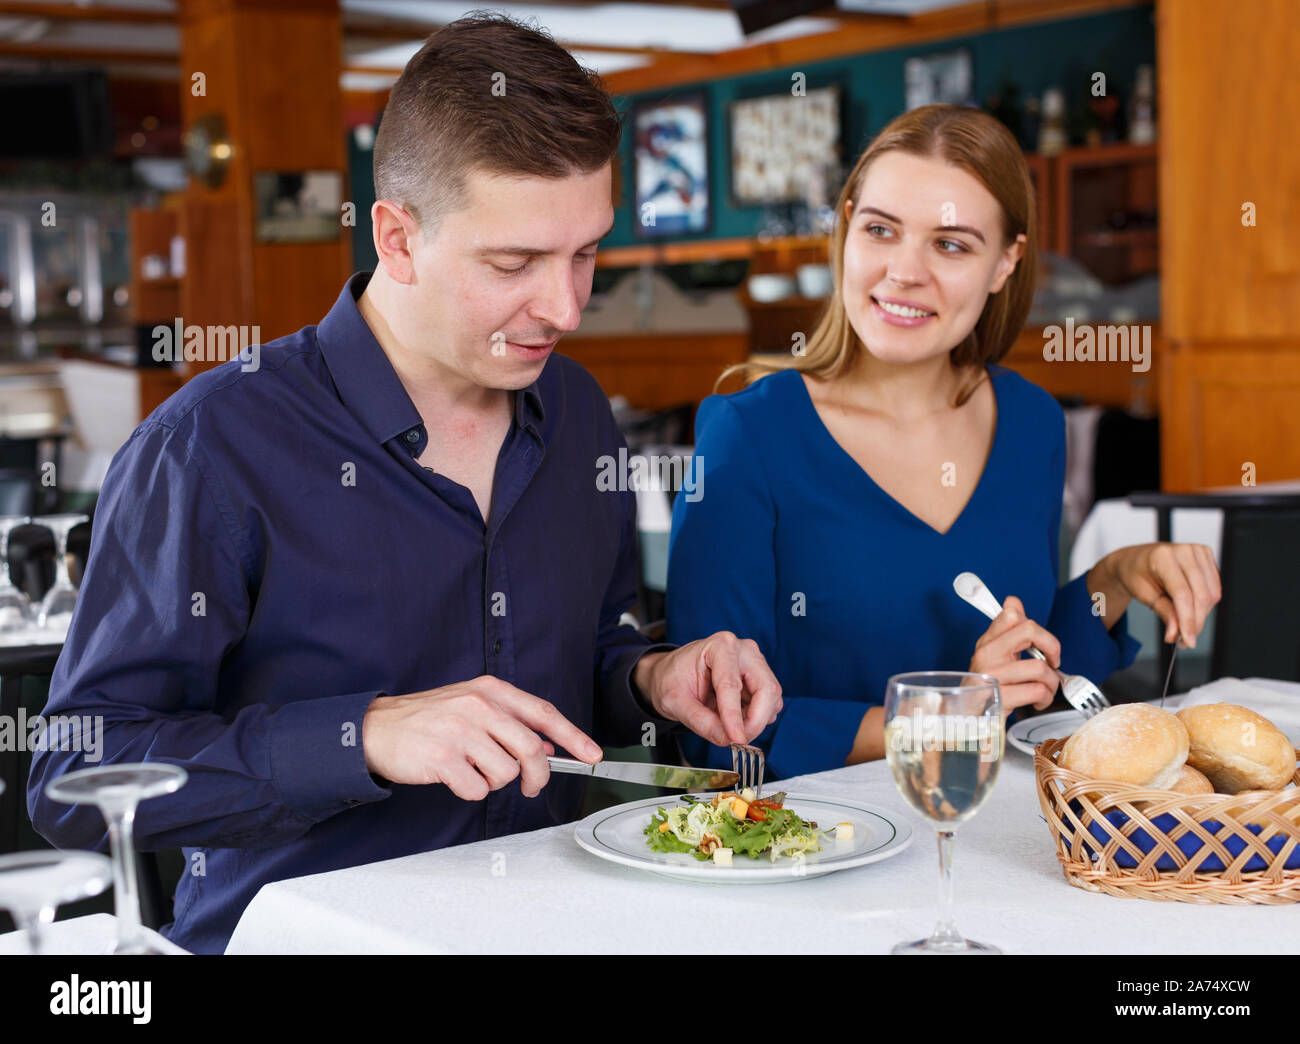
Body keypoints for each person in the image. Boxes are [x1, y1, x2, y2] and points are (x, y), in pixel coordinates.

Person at [27, 13, 781, 954]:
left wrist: (653, 676)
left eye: (586, 251)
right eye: (514, 263)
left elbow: (591, 650)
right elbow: (69, 778)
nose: (566, 306)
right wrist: (364, 737)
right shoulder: (210, 446)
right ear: (397, 238)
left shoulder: (577, 408)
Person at [666, 104, 1219, 780]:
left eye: (951, 244)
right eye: (881, 230)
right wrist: (945, 716)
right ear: (846, 232)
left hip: (1003, 835)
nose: (904, 271)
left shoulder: (1032, 422)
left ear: (1005, 263)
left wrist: (1114, 579)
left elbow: (1034, 673)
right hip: (815, 850)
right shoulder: (748, 435)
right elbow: (716, 732)